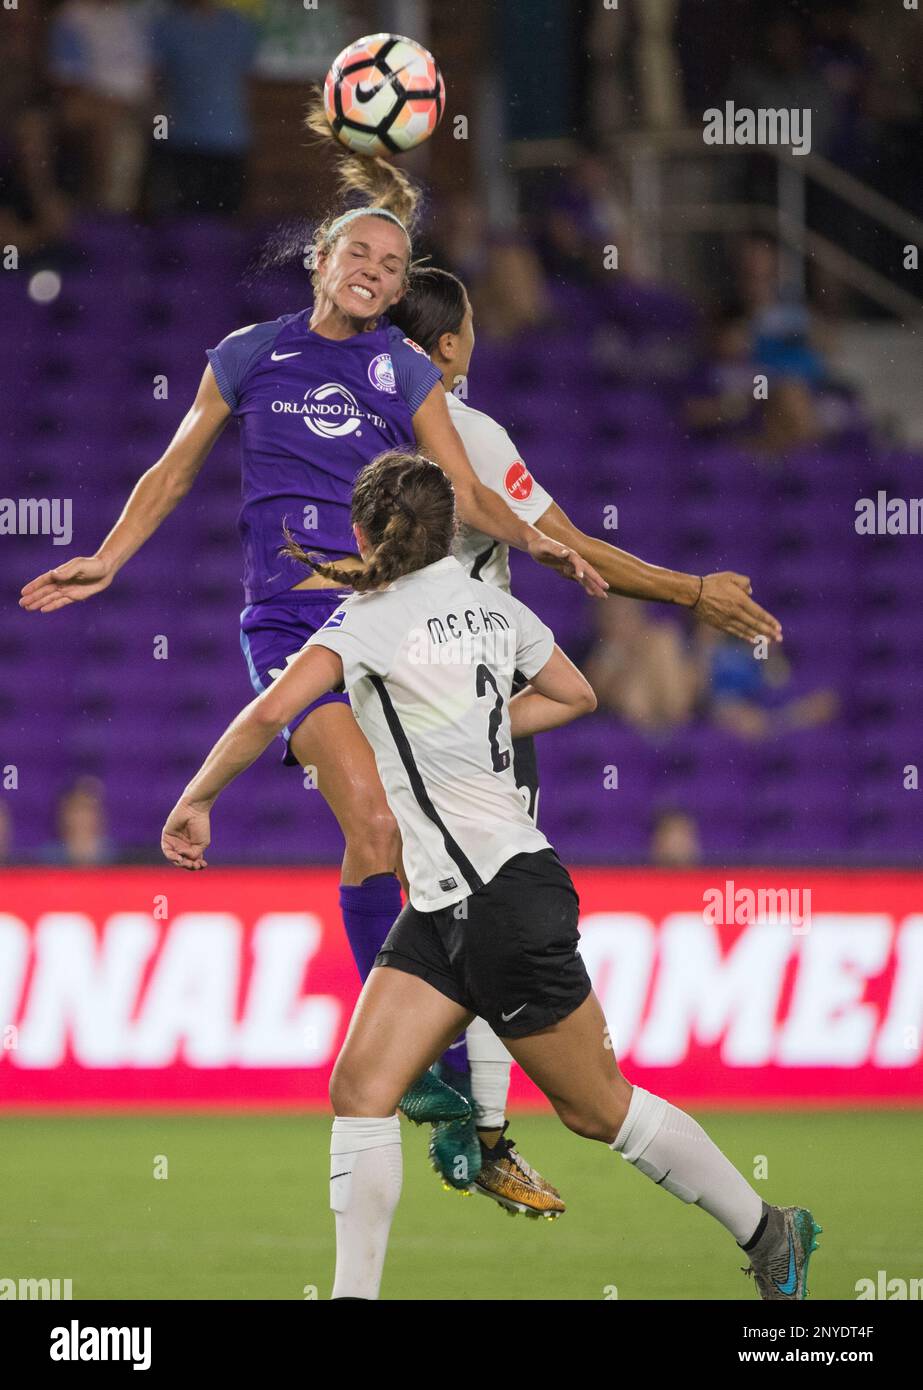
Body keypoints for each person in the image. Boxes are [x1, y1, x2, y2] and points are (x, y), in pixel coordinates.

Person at [19, 100, 606, 1179]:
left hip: (392, 625)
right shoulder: (248, 356)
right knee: (377, 824)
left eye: (392, 261)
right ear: (321, 264)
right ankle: (427, 1074)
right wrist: (109, 556)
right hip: (293, 620)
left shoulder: (403, 373)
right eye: (359, 254)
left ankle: (454, 1080)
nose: (376, 271)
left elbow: (465, 489)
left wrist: (551, 543)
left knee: (395, 836)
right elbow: (175, 464)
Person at [160, 450, 821, 1303]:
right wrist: (477, 732)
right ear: (449, 532)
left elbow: (267, 713)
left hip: (502, 898)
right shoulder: (492, 608)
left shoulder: (364, 622)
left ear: (363, 532)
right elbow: (575, 694)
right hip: (449, 902)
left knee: (596, 1109)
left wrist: (194, 801)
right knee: (360, 1087)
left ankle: (770, 1231)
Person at [386, 265, 782, 1201]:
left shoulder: (418, 437)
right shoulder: (461, 431)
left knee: (444, 894)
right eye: (470, 326)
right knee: (440, 893)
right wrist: (690, 590)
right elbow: (567, 541)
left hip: (435, 704)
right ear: (449, 347)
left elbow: (559, 545)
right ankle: (471, 1124)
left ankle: (476, 1128)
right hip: (437, 703)